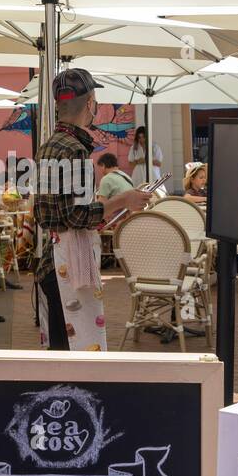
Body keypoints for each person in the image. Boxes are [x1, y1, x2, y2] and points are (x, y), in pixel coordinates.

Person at [35, 69, 151, 351]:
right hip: (69, 268)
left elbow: (47, 213)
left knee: (60, 354)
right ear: (90, 104)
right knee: (78, 354)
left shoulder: (48, 147)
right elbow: (77, 216)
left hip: (53, 261)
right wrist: (124, 200)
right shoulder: (74, 150)